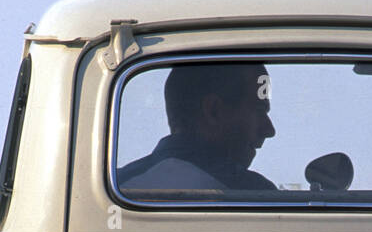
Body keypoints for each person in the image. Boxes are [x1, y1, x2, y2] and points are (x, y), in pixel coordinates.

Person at [118, 62, 277, 192]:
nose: (269, 130)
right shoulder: (252, 193)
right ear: (213, 111)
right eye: (259, 110)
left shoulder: (118, 184)